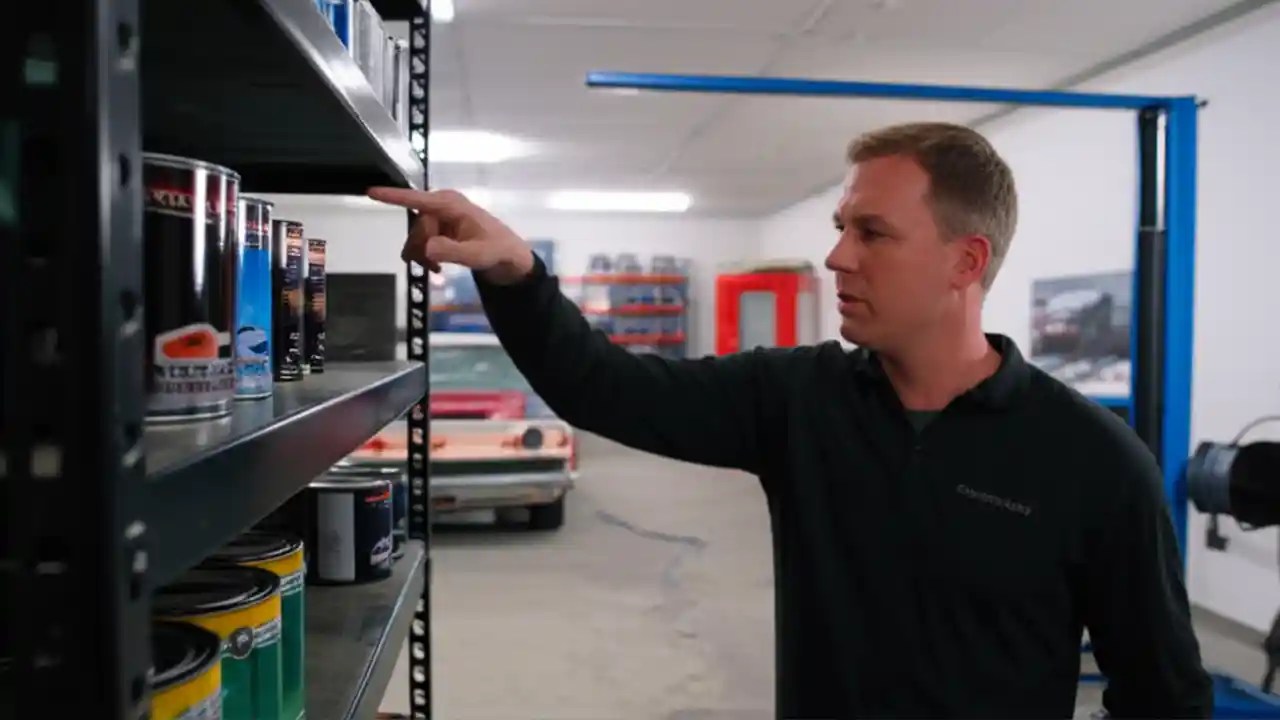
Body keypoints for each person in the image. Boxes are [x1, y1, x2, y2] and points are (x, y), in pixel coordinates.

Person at [369, 121, 1213, 718]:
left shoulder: (1093, 462)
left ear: (967, 259)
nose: (837, 255)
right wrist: (519, 276)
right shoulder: (800, 400)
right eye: (840, 226)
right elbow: (605, 387)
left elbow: (1163, 697)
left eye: (872, 232)